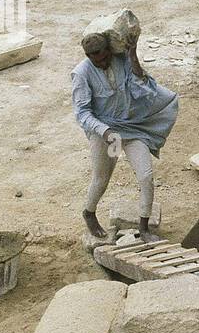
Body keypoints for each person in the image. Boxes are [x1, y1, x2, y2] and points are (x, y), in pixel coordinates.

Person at [72, 30, 179, 243]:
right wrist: (105, 131)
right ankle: (89, 213)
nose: (103, 63)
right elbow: (82, 113)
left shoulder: (121, 60)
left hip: (131, 127)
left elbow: (142, 88)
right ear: (89, 57)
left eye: (105, 58)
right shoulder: (81, 74)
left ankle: (144, 228)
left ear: (109, 51)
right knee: (102, 178)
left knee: (146, 176)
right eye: (97, 61)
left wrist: (133, 57)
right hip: (105, 135)